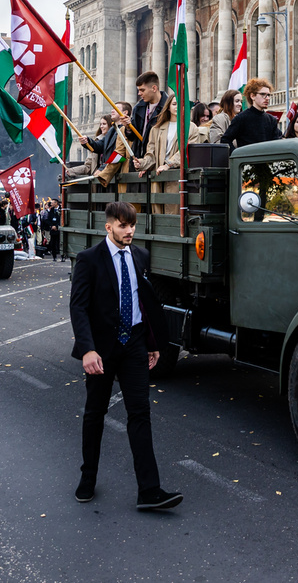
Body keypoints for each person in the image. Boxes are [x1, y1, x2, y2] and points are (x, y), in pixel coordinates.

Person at [69, 201, 182, 511]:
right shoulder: (89, 260)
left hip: (133, 345)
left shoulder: (140, 256)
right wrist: (88, 349)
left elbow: (143, 302)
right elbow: (78, 307)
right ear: (109, 227)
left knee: (140, 414)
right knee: (95, 414)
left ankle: (149, 491)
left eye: (132, 225)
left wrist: (153, 342)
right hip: (102, 350)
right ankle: (87, 478)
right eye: (123, 225)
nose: (129, 230)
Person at [136, 96, 184, 214]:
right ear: (168, 107)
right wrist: (142, 163)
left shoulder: (190, 127)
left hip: (176, 176)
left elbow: (186, 151)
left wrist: (168, 164)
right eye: (174, 104)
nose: (177, 107)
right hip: (158, 177)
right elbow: (151, 154)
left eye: (181, 104)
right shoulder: (156, 129)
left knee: (173, 212)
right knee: (158, 212)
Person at [222, 79, 282, 149]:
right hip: (247, 158)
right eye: (263, 94)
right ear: (252, 96)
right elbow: (225, 140)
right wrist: (237, 155)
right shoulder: (241, 118)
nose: (267, 98)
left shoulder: (271, 120)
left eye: (268, 95)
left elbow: (277, 143)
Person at [128, 72, 168, 160]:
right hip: (139, 160)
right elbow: (132, 138)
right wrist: (128, 127)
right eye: (138, 90)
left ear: (154, 88)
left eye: (142, 90)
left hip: (158, 160)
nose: (139, 93)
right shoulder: (138, 108)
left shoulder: (168, 108)